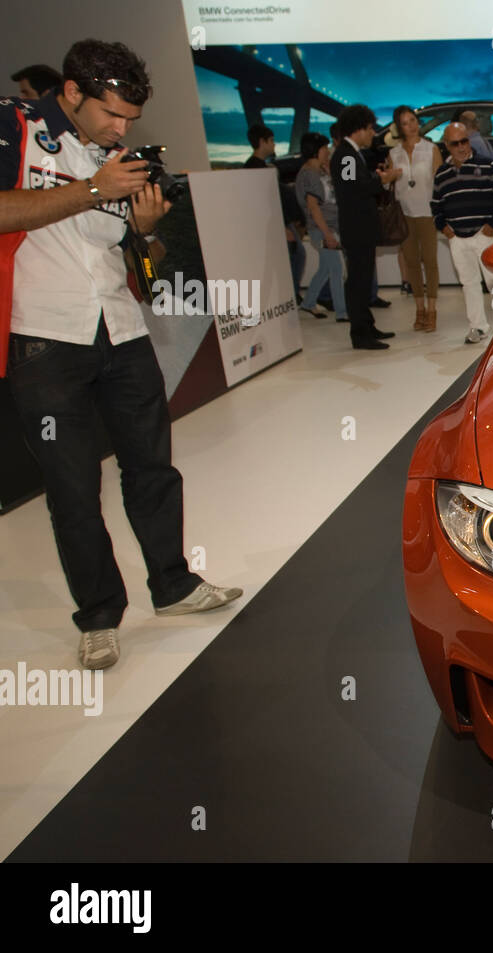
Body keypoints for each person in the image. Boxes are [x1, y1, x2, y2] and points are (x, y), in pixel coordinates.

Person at [0, 40, 242, 670]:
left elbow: (141, 259)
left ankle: (175, 584)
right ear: (72, 92)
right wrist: (91, 188)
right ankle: (99, 614)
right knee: (73, 486)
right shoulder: (14, 126)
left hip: (124, 328)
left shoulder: (117, 157)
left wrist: (147, 231)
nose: (122, 128)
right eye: (112, 114)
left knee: (153, 468)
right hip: (43, 336)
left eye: (131, 119)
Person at [329, 103, 402, 350]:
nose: (373, 133)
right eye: (370, 128)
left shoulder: (350, 154)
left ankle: (367, 325)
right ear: (358, 129)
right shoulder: (346, 155)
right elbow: (354, 187)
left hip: (359, 228)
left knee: (362, 279)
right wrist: (382, 179)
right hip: (357, 229)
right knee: (358, 281)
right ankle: (360, 333)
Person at [432, 121, 493, 344]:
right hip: (457, 238)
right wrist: (445, 229)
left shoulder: (489, 166)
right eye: (455, 143)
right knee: (469, 284)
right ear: (447, 145)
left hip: (485, 236)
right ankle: (477, 327)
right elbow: (435, 204)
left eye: (464, 141)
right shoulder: (442, 173)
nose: (461, 146)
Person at [388, 105, 441, 331]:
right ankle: (419, 309)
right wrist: (388, 176)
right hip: (405, 213)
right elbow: (389, 182)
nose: (411, 126)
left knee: (429, 261)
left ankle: (432, 310)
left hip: (427, 212)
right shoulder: (394, 153)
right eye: (405, 123)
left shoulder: (431, 149)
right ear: (399, 127)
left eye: (412, 120)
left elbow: (439, 183)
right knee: (411, 262)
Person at [244, 123, 306, 303]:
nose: (274, 144)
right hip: (273, 222)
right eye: (271, 140)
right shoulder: (255, 169)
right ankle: (288, 296)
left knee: (292, 257)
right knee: (293, 257)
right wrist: (281, 227)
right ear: (262, 142)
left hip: (278, 220)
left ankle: (287, 296)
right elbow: (262, 202)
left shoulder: (261, 166)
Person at [294, 132, 346, 323]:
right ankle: (342, 311)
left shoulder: (321, 171)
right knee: (336, 268)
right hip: (321, 229)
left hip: (330, 227)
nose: (328, 151)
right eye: (324, 148)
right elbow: (314, 208)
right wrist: (327, 235)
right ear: (315, 150)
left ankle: (308, 302)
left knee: (325, 268)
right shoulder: (308, 174)